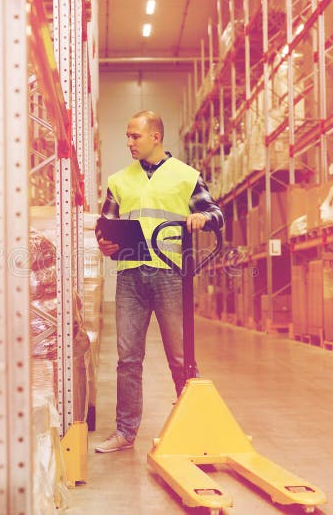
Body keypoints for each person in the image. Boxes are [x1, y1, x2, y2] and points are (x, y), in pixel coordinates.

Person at [94, 110, 224, 453]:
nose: (129, 142)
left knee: (181, 357)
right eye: (127, 136)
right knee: (128, 358)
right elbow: (105, 226)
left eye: (135, 136)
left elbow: (216, 213)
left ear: (155, 137)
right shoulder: (119, 180)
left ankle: (192, 427)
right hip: (130, 275)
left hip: (170, 274)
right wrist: (105, 243)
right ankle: (124, 432)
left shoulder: (186, 176)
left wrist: (200, 217)